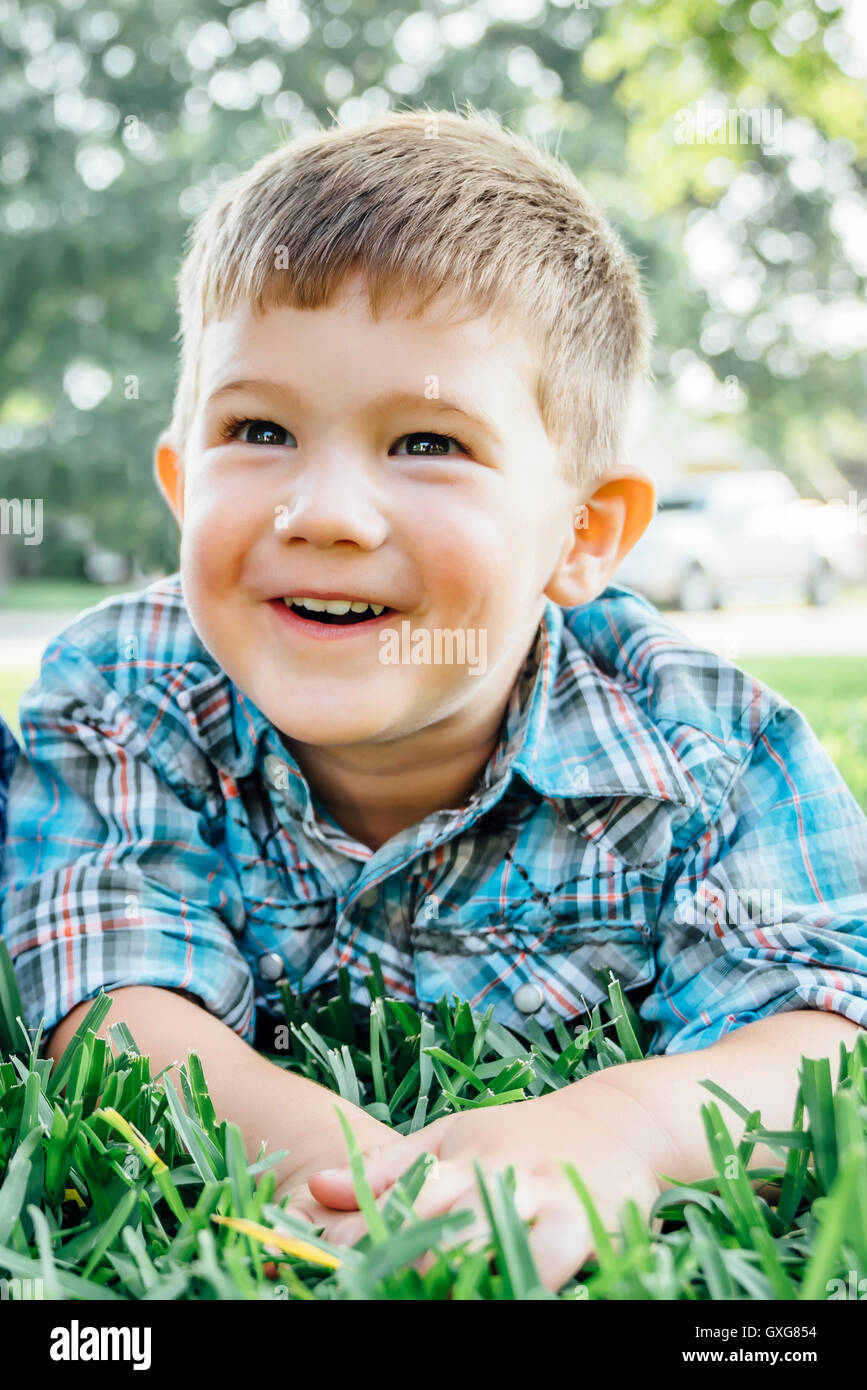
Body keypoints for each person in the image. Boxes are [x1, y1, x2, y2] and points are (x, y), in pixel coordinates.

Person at [2, 109, 865, 1292]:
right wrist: (381, 1182)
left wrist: (621, 1133)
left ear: (583, 532)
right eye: (258, 430)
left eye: (424, 441)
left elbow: (824, 1025)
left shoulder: (708, 748)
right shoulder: (120, 697)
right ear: (180, 479)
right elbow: (110, 999)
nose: (326, 512)